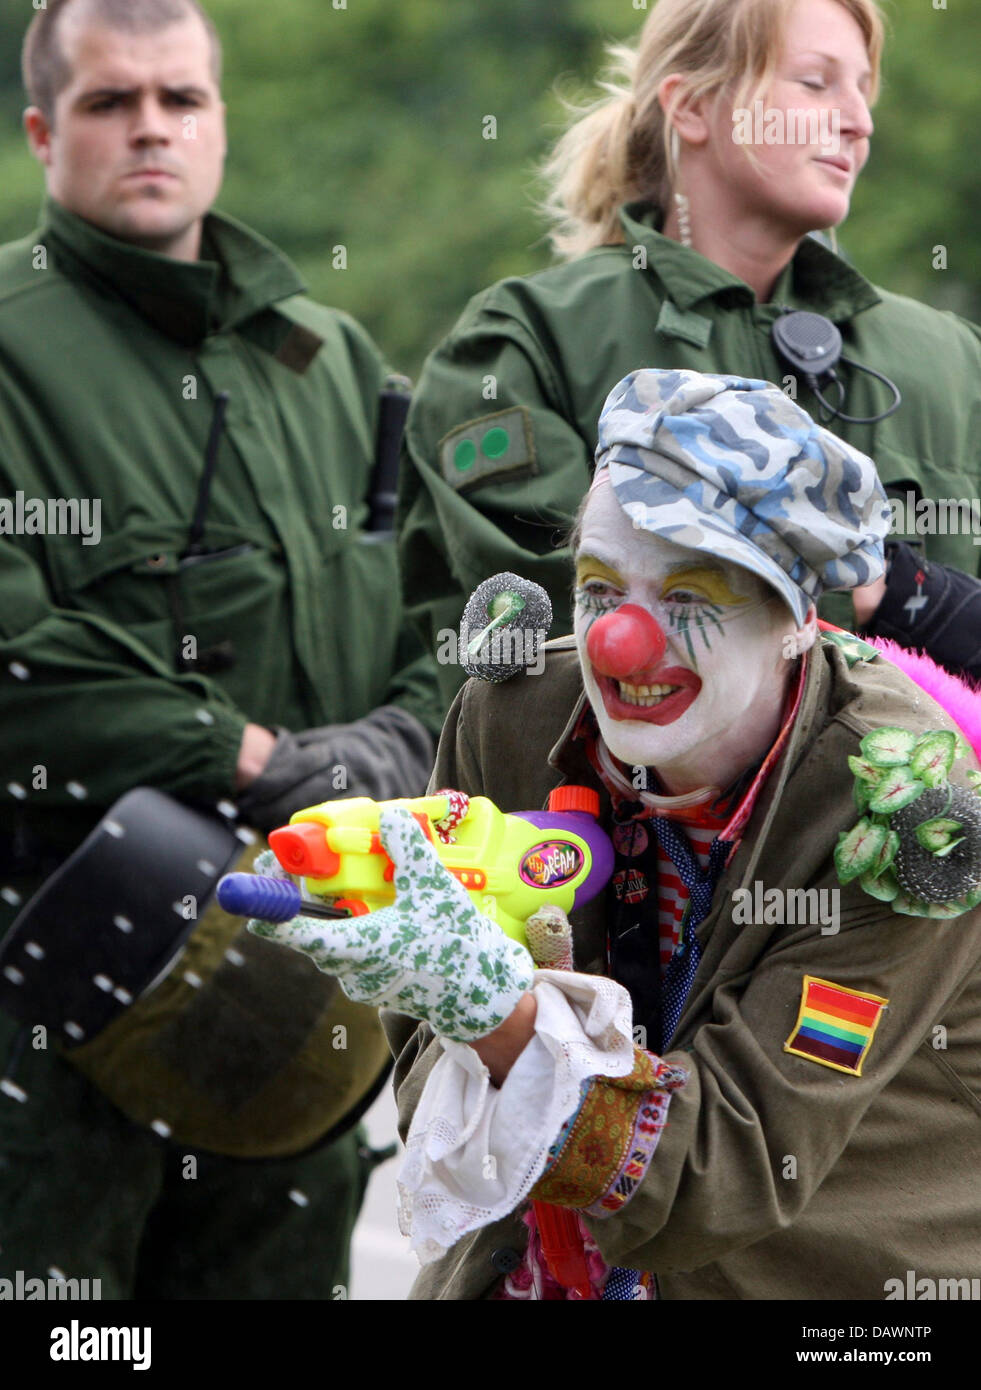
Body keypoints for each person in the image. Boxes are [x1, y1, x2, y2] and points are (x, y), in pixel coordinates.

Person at [257, 369, 981, 1300]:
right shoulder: (511, 714)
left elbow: (721, 1175)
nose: (619, 645)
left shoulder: (903, 815)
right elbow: (421, 1072)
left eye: (690, 596)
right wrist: (429, 968)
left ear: (795, 619)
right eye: (599, 588)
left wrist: (501, 1013)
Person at [0, 0, 441, 1299]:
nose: (152, 126)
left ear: (219, 125)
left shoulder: (330, 362)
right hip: (50, 1008)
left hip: (302, 996)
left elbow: (446, 609)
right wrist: (246, 754)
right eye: (110, 101)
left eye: (180, 100)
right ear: (43, 131)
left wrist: (402, 735)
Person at [399, 0, 981, 706]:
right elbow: (530, 651)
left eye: (862, 87)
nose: (857, 119)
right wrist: (866, 592)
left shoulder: (948, 361)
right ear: (693, 107)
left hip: (928, 814)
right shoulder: (526, 343)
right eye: (814, 82)